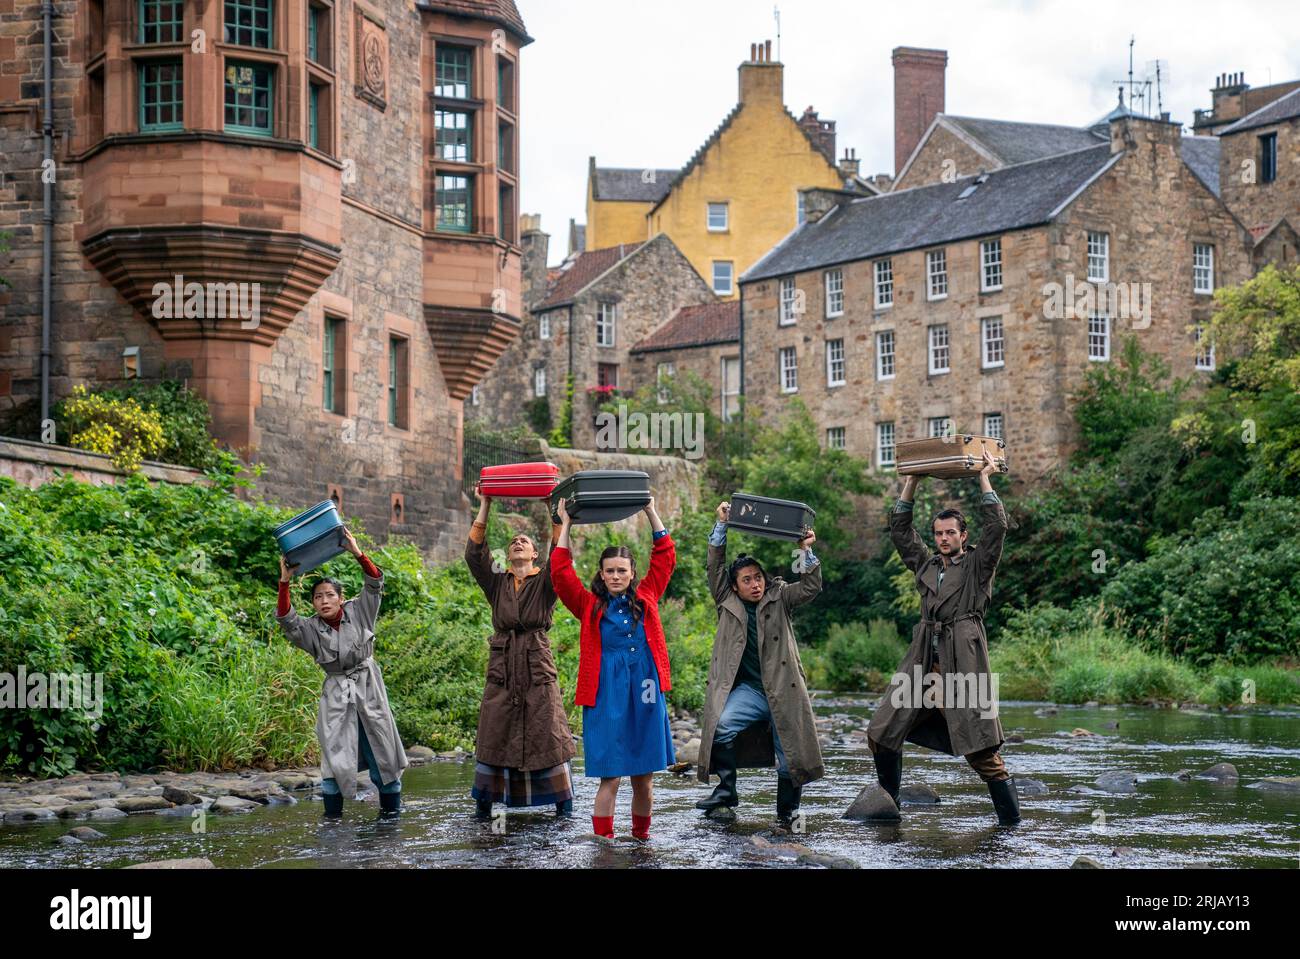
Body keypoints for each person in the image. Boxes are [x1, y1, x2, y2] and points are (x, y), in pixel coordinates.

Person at [866, 448, 1020, 825]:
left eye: (951, 532)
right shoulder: (927, 563)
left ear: (963, 535)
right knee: (882, 733)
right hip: (923, 663)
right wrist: (912, 481)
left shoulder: (977, 565)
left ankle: (1011, 823)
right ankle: (891, 806)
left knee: (981, 751)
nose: (944, 538)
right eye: (939, 533)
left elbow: (997, 528)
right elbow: (901, 532)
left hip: (963, 661)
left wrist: (984, 479)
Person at [550, 496, 675, 840]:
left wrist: (651, 510)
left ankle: (641, 840)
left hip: (646, 688)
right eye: (610, 571)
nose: (616, 575)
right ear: (601, 575)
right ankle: (603, 844)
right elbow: (560, 574)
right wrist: (566, 525)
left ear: (632, 573)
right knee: (611, 776)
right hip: (606, 692)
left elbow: (665, 558)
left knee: (644, 777)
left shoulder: (647, 595)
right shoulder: (588, 604)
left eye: (622, 570)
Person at [695, 501, 825, 827]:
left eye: (758, 577)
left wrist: (805, 550)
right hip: (752, 692)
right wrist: (722, 525)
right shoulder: (725, 600)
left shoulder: (780, 596)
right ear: (735, 587)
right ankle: (726, 793)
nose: (755, 584)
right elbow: (714, 566)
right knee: (721, 728)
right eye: (747, 580)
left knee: (790, 756)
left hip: (784, 690)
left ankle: (787, 814)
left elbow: (810, 586)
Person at [277, 528, 408, 819]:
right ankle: (332, 823)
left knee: (382, 750)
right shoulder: (310, 628)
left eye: (329, 595)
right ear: (312, 603)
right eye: (318, 597)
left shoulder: (360, 611)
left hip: (369, 687)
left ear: (340, 597)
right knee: (334, 755)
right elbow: (287, 620)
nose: (324, 601)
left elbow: (375, 582)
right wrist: (285, 580)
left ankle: (391, 817)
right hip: (336, 694)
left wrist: (356, 551)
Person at [465, 487, 576, 820]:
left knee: (546, 726)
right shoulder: (496, 583)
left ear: (534, 555)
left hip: (537, 663)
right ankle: (485, 805)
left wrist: (553, 512)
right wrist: (485, 504)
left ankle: (562, 805)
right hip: (502, 665)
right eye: (513, 540)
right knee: (496, 728)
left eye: (525, 541)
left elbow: (561, 556)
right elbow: (474, 555)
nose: (518, 542)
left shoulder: (546, 581)